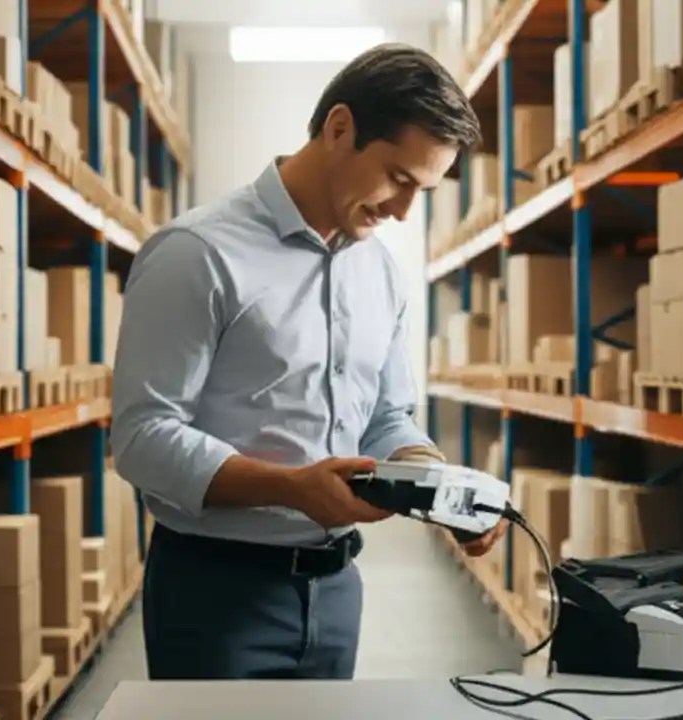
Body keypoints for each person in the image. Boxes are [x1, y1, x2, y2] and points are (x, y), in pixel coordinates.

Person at [110, 42, 505, 681]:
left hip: (337, 591)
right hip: (215, 593)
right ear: (340, 128)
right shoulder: (198, 253)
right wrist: (292, 489)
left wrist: (437, 489)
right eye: (399, 178)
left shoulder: (379, 272)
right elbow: (141, 438)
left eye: (423, 191)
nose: (405, 210)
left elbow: (387, 417)